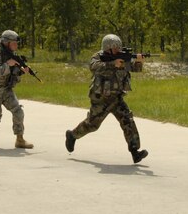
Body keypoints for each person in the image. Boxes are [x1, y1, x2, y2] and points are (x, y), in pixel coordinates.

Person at [64, 34, 149, 164]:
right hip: (101, 99)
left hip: (117, 98)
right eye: (115, 48)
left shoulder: (122, 57)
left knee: (128, 121)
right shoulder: (98, 57)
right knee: (92, 125)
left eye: (119, 47)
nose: (118, 49)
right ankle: (72, 135)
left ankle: (135, 151)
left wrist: (139, 61)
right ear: (107, 48)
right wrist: (113, 64)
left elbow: (134, 68)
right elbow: (93, 66)